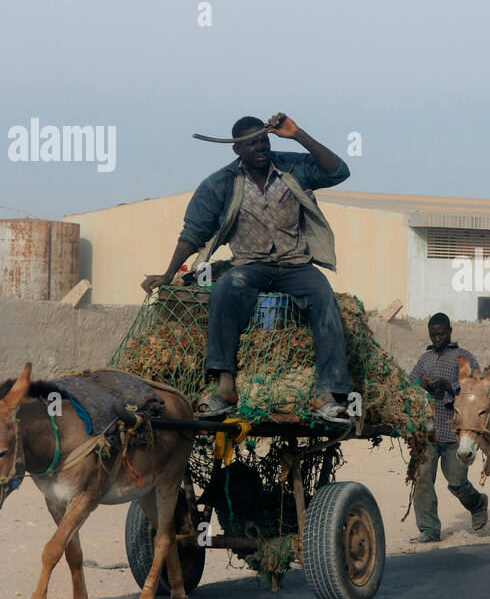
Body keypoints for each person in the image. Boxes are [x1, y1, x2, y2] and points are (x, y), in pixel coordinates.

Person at [142, 112, 353, 421]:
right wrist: (169, 273)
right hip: (250, 265)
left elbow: (338, 171)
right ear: (237, 150)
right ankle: (224, 387)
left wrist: (297, 134)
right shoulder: (220, 184)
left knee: (323, 297)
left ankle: (327, 394)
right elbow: (193, 233)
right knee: (225, 291)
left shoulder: (291, 167)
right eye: (252, 143)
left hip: (296, 264)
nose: (261, 147)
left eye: (264, 140)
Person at [408, 314, 489, 543]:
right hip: (428, 432)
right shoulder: (425, 359)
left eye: (441, 334)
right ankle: (429, 529)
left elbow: (475, 389)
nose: (436, 339)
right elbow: (410, 383)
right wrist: (421, 384)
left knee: (456, 483)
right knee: (423, 480)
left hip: (456, 434)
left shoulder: (463, 358)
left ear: (450, 331)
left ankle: (478, 503)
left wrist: (449, 386)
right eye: (433, 335)